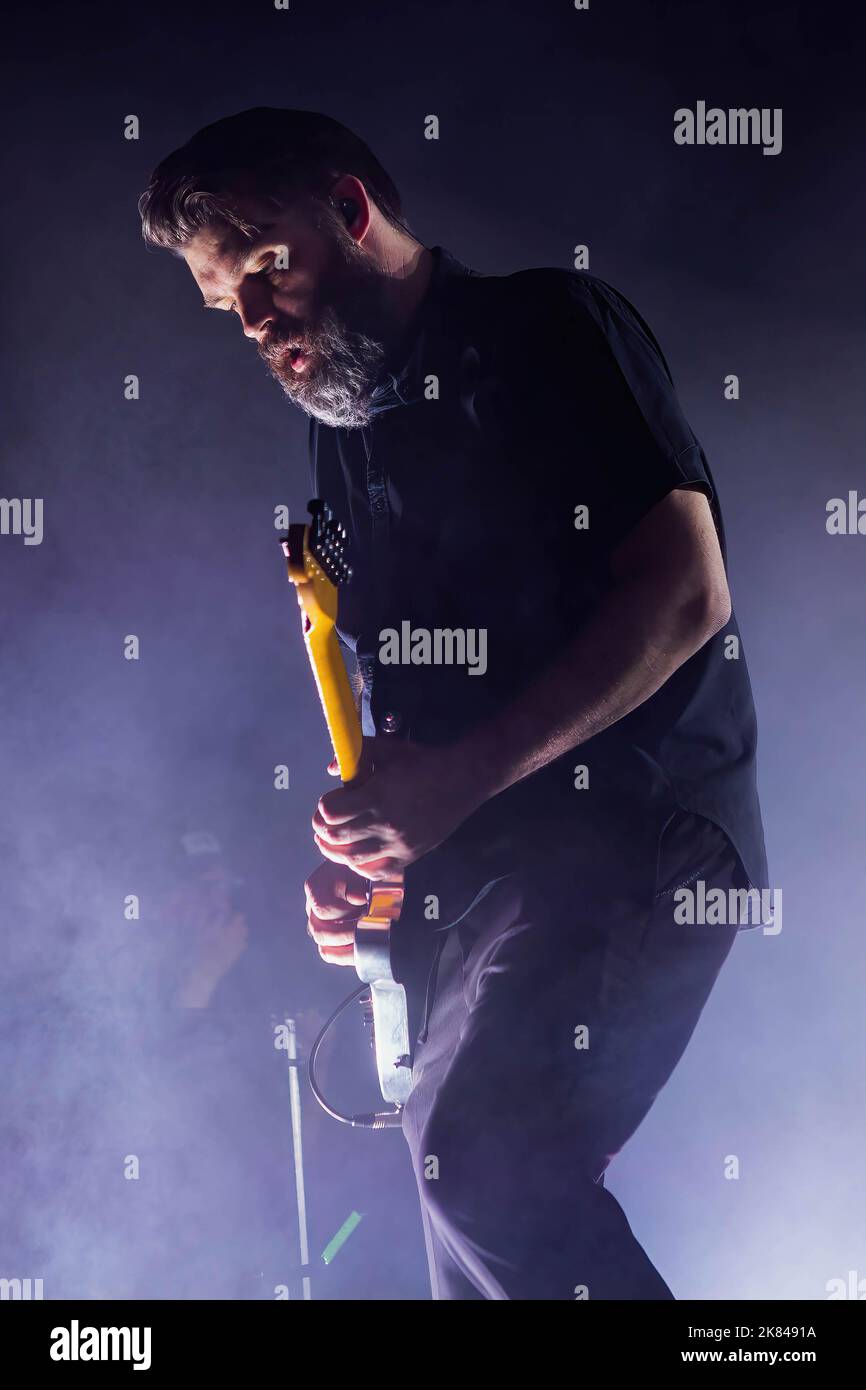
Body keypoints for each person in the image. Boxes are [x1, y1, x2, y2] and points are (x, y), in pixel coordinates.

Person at [139, 108, 769, 1300]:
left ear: (350, 210)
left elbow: (688, 590)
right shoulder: (347, 446)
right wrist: (377, 857)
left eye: (266, 265)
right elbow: (411, 736)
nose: (257, 321)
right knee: (457, 1205)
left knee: (484, 1166)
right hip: (486, 890)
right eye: (229, 305)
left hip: (640, 831)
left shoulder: (547, 328)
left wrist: (458, 779)